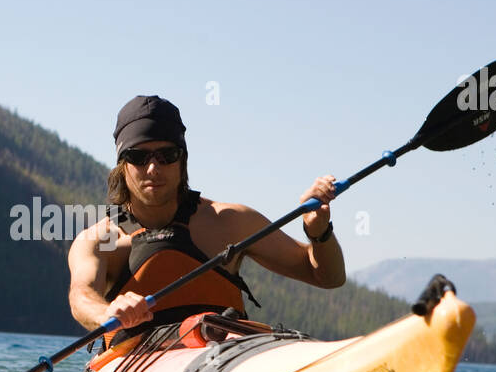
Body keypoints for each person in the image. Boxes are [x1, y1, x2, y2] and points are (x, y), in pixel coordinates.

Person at [68, 95, 345, 344]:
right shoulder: (100, 239)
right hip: (140, 367)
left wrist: (319, 231)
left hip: (227, 360)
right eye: (138, 156)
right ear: (122, 164)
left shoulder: (229, 222)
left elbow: (327, 277)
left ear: (182, 160)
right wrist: (108, 312)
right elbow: (81, 296)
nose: (153, 168)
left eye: (167, 155)